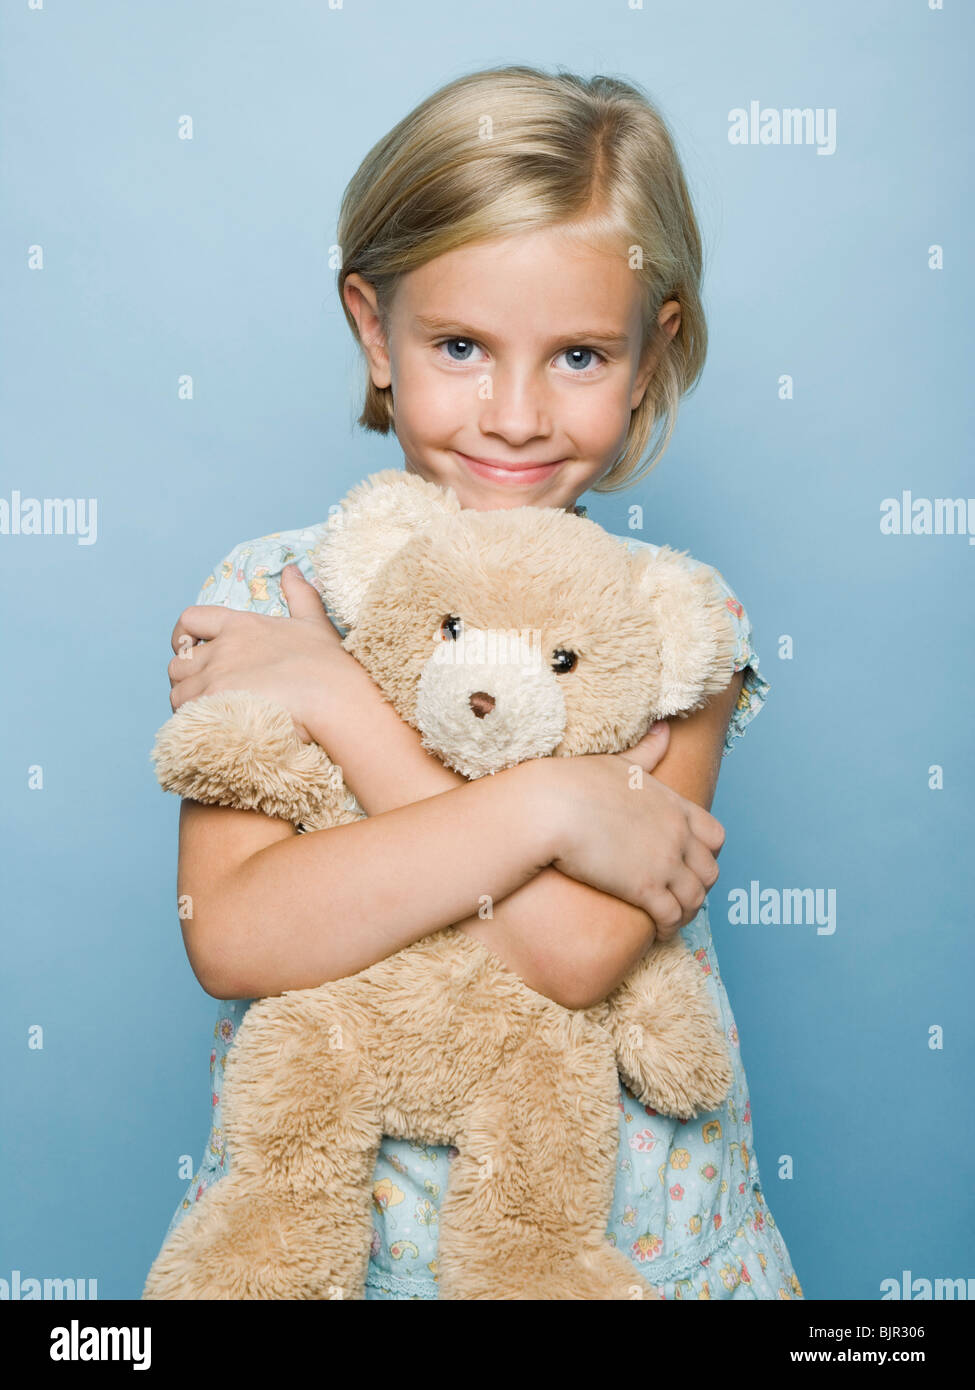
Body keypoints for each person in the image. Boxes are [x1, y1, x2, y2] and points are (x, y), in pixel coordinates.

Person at [155, 65, 804, 1300]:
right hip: (342, 1260)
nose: (513, 414)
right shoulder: (269, 598)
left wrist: (347, 708)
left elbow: (568, 951)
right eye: (460, 345)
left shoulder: (674, 626)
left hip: (641, 1260)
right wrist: (556, 810)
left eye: (576, 355)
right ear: (371, 329)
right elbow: (235, 934)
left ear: (651, 350)